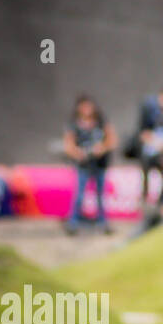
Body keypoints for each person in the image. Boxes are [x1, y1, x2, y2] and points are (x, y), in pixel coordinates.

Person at [62, 95, 116, 235]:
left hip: (100, 164)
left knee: (101, 195)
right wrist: (78, 153)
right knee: (79, 194)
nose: (87, 110)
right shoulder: (74, 124)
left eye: (89, 106)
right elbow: (68, 145)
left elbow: (112, 140)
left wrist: (101, 148)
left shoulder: (101, 122)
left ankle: (103, 222)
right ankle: (73, 222)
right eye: (84, 106)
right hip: (83, 164)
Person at [125, 84, 163, 200]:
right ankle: (145, 196)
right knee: (146, 170)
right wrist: (155, 142)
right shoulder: (149, 106)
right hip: (149, 147)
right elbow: (142, 131)